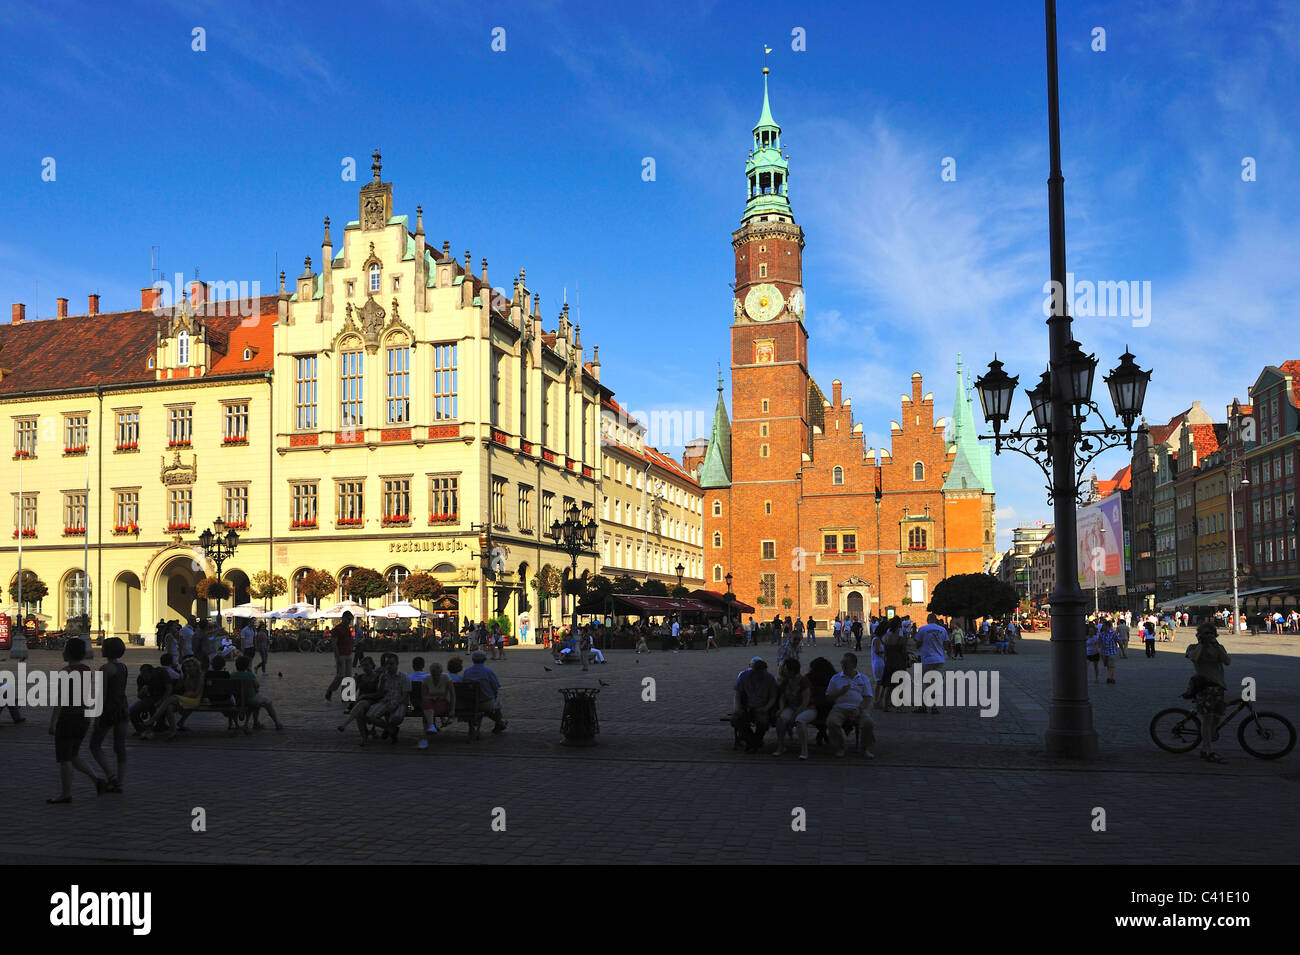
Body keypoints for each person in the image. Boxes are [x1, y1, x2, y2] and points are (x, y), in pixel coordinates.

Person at [48, 638, 105, 802]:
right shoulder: (87, 670)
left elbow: (61, 699)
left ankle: (66, 794)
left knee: (65, 758)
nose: (62, 651)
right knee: (73, 755)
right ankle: (97, 780)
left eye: (65, 648)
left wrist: (53, 722)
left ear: (68, 652)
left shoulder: (65, 672)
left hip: (67, 717)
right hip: (82, 717)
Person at [87, 637, 129, 794]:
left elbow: (101, 695)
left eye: (103, 646)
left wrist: (97, 716)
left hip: (108, 711)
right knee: (120, 748)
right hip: (122, 709)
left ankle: (111, 776)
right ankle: (120, 782)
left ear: (107, 650)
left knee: (95, 745)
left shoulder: (105, 669)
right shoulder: (123, 667)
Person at [1186, 622, 1231, 763]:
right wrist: (1202, 644)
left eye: (1211, 633)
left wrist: (1216, 645)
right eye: (1205, 633)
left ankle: (1207, 739)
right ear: (1199, 635)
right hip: (1204, 687)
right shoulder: (1193, 647)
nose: (1209, 636)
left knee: (1217, 717)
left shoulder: (1219, 648)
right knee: (1207, 718)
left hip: (1219, 687)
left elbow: (1227, 661)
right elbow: (1194, 658)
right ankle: (1206, 749)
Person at [825, 652, 876, 759]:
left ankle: (865, 748)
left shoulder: (863, 678)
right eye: (842, 662)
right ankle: (840, 747)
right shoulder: (836, 678)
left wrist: (860, 708)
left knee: (868, 723)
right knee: (831, 722)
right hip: (840, 708)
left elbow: (868, 697)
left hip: (858, 708)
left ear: (853, 664)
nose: (842, 665)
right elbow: (828, 696)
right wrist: (840, 692)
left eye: (845, 663)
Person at [731, 657, 778, 754]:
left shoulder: (769, 678)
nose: (762, 676)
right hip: (747, 707)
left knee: (763, 722)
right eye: (760, 673)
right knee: (736, 719)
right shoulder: (744, 676)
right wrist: (737, 707)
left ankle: (753, 743)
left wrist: (766, 708)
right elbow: (737, 693)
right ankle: (754, 742)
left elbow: (773, 697)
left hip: (762, 707)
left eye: (763, 673)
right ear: (754, 671)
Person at [772, 658, 816, 759]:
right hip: (792, 707)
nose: (783, 670)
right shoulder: (786, 681)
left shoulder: (804, 681)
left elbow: (805, 702)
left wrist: (794, 715)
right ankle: (781, 746)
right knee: (781, 719)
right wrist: (781, 709)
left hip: (808, 709)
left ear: (792, 670)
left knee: (800, 721)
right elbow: (783, 696)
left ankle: (804, 750)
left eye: (786, 669)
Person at [231, 655, 284, 730]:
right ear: (247, 666)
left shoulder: (233, 675)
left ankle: (256, 723)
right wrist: (250, 672)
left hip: (238, 700)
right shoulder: (249, 675)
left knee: (257, 702)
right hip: (250, 698)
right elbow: (257, 685)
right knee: (267, 702)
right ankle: (277, 723)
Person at [463, 651, 507, 733]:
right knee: (496, 703)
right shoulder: (488, 671)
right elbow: (496, 686)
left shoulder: (467, 671)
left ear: (473, 660)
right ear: (484, 660)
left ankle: (471, 727)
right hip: (485, 702)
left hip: (470, 703)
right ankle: (499, 722)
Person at [337, 657, 381, 736]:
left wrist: (365, 696)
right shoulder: (360, 677)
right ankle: (364, 736)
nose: (365, 668)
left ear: (372, 665)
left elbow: (379, 693)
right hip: (361, 701)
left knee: (361, 704)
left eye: (367, 665)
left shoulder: (378, 677)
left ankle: (345, 724)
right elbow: (351, 694)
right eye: (363, 666)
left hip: (373, 701)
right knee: (359, 711)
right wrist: (354, 682)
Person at [914, 613, 947, 714]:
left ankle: (923, 706)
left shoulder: (923, 629)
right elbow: (946, 643)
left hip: (927, 659)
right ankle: (934, 706)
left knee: (926, 684)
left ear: (927, 620)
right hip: (939, 659)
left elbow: (917, 644)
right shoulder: (942, 629)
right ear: (936, 620)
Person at [324, 611, 355, 702]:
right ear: (343, 618)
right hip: (341, 655)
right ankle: (330, 690)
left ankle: (346, 697)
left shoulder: (348, 629)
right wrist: (337, 657)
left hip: (348, 654)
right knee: (340, 675)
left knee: (348, 676)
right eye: (348, 619)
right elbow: (334, 644)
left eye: (350, 619)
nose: (349, 621)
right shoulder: (337, 629)